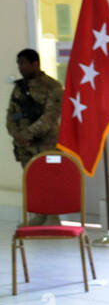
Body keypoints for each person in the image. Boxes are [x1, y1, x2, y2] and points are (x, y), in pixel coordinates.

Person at [8, 49, 65, 225]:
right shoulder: (19, 88)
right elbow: (11, 115)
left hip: (45, 144)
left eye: (24, 63)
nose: (20, 67)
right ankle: (39, 215)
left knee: (50, 180)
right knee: (33, 181)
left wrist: (27, 134)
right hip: (24, 146)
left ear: (35, 64)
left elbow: (49, 117)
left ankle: (54, 216)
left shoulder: (53, 87)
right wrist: (16, 134)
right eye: (19, 63)